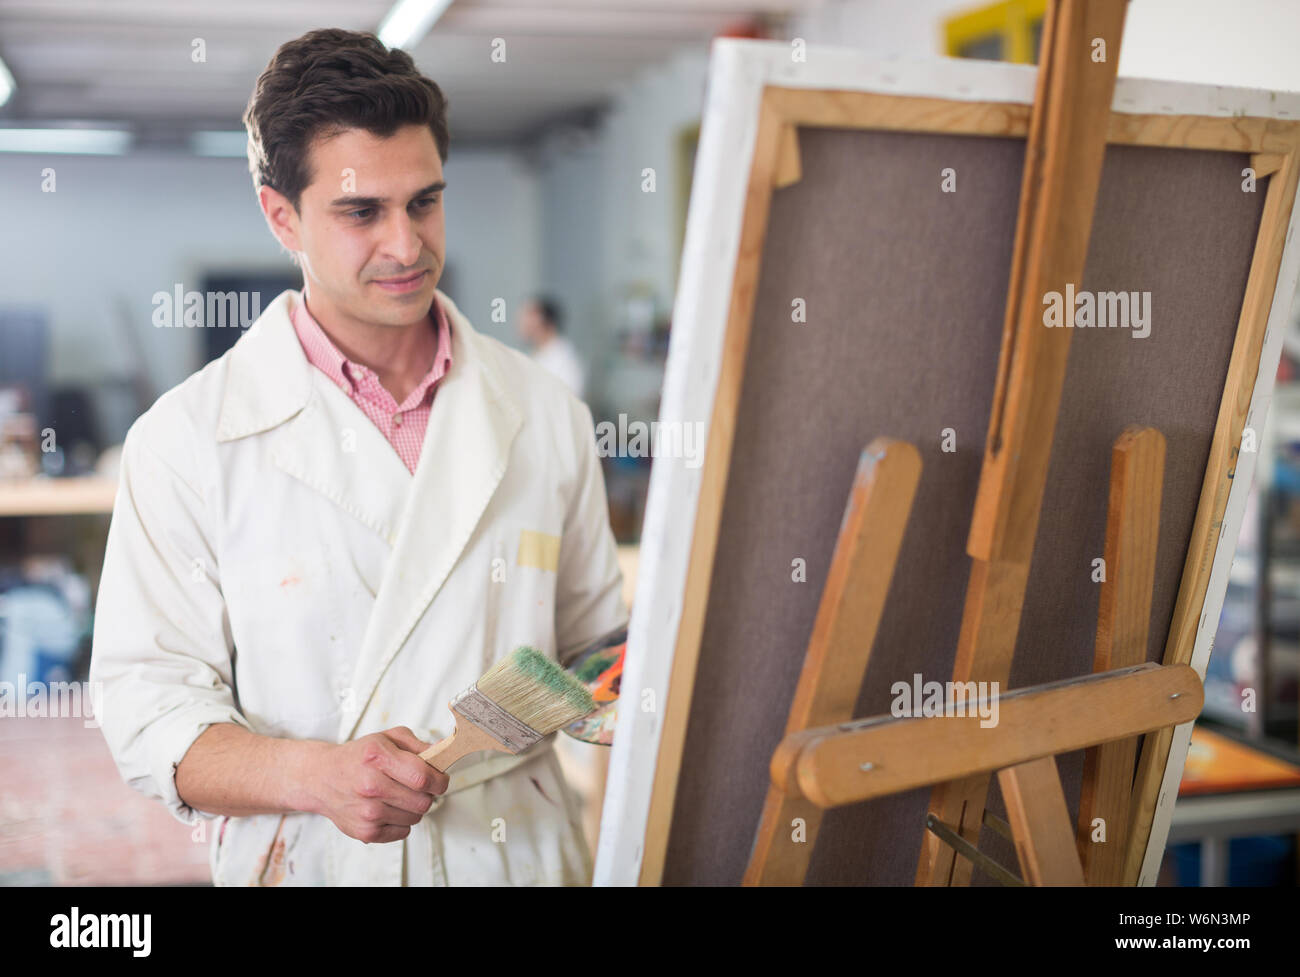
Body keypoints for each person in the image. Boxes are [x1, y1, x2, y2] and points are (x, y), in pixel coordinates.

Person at [89, 28, 628, 886]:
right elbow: (146, 710)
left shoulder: (544, 411)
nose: (407, 245)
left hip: (516, 848)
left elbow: (596, 648)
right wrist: (314, 775)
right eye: (361, 212)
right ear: (281, 216)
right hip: (316, 858)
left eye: (423, 201)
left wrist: (634, 676)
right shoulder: (187, 440)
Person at [518, 295, 586, 398]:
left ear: (543, 320)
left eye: (528, 315)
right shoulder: (536, 355)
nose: (522, 322)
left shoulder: (564, 361)